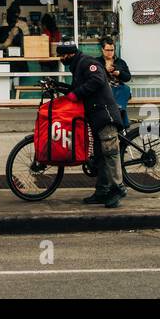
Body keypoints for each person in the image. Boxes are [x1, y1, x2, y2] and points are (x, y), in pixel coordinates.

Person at [57, 39, 126, 208]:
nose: (61, 59)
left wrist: (76, 94)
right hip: (95, 115)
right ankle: (102, 191)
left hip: (104, 114)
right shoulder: (77, 66)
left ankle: (117, 189)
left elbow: (97, 80)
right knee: (100, 155)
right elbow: (75, 89)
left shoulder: (87, 63)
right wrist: (58, 87)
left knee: (110, 152)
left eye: (62, 55)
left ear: (70, 54)